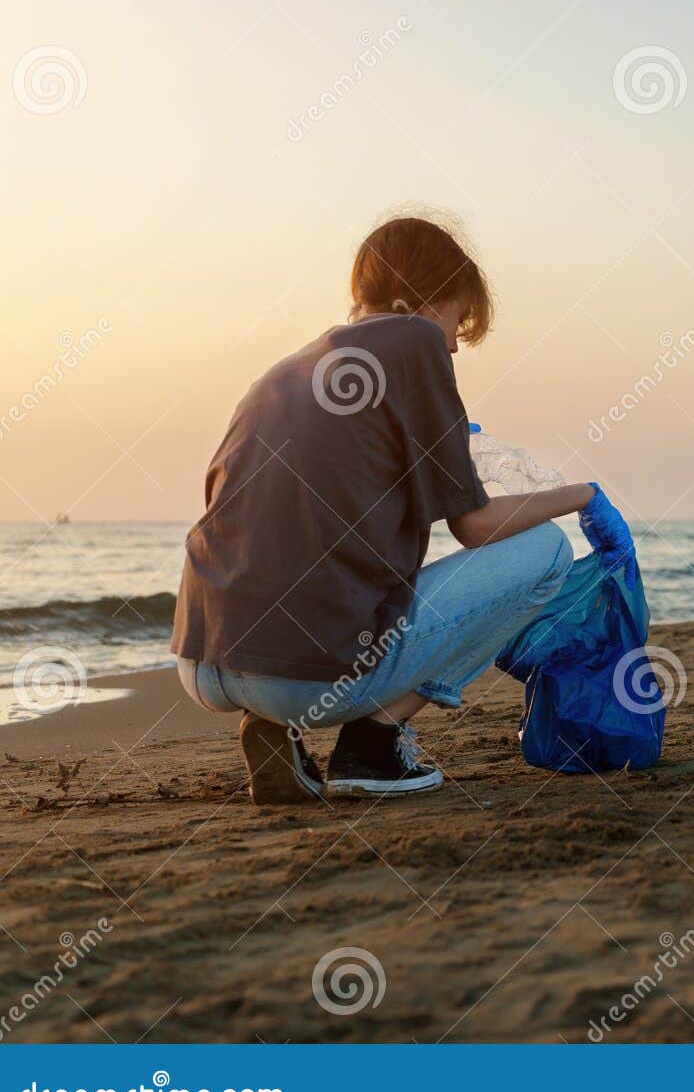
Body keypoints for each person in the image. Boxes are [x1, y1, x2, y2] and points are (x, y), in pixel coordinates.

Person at [171, 214, 633, 804]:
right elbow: (476, 527)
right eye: (455, 319)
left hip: (203, 661)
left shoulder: (286, 371)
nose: (453, 343)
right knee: (546, 552)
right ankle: (374, 745)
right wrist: (582, 495)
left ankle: (275, 722)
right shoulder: (412, 342)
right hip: (303, 679)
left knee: (351, 592)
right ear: (414, 301)